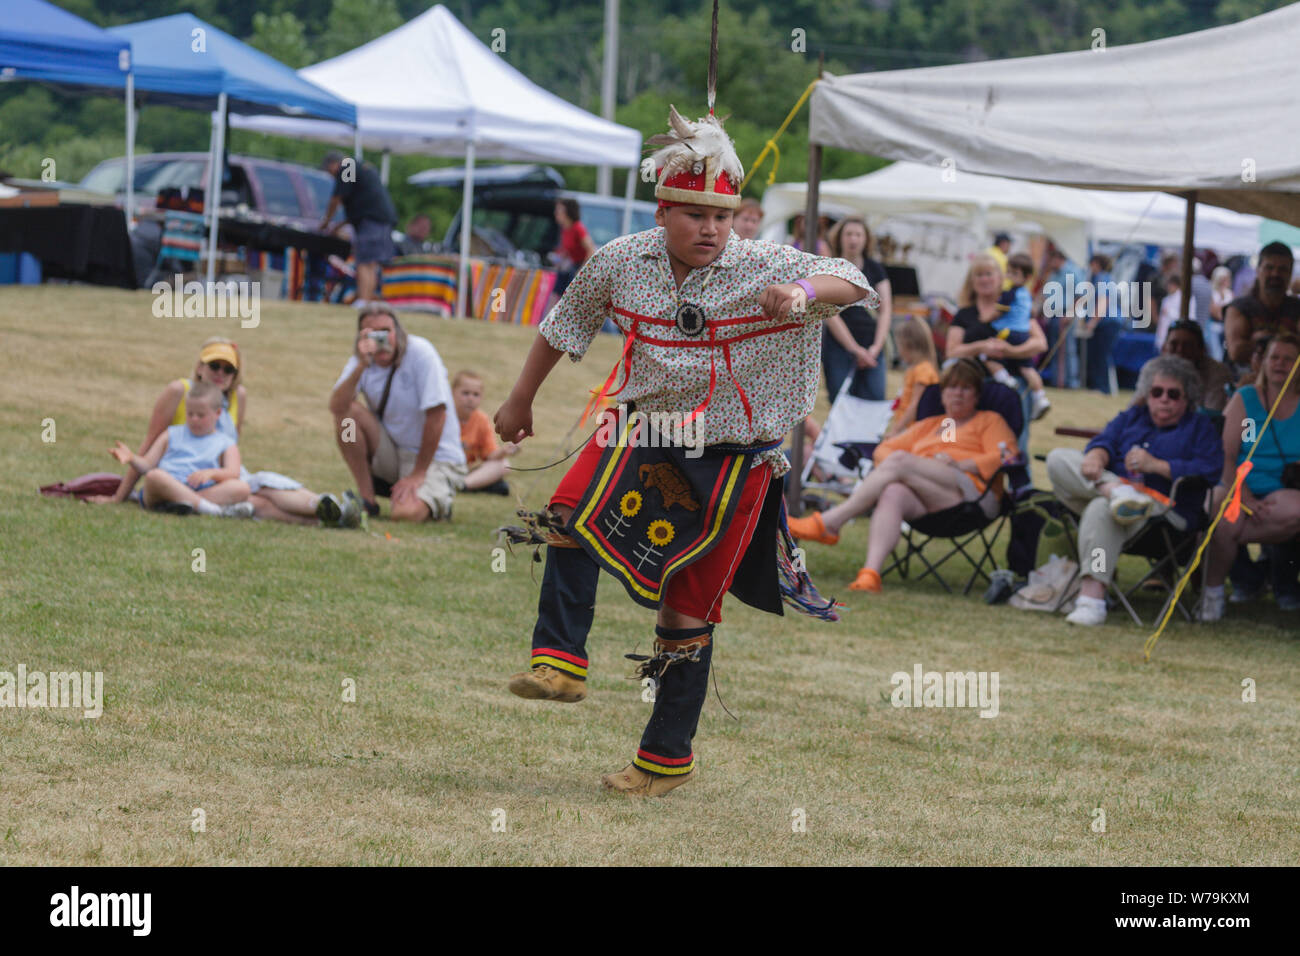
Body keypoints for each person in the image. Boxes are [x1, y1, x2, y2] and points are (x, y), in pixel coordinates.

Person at [493, 104, 875, 797]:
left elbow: (853, 279)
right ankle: (560, 662)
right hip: (649, 428)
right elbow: (564, 322)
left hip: (737, 454)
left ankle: (663, 760)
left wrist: (800, 292)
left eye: (722, 217)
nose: (711, 229)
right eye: (696, 215)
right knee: (568, 511)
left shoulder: (764, 261)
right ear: (663, 209)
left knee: (685, 607)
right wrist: (520, 400)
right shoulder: (620, 260)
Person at [787, 359, 1018, 593]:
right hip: (932, 497)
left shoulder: (989, 421)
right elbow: (882, 450)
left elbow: (1008, 455)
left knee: (900, 461)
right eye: (952, 387)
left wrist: (962, 464)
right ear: (942, 394)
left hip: (974, 496)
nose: (958, 393)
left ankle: (830, 523)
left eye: (966, 388)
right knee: (893, 491)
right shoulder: (929, 425)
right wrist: (912, 469)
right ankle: (870, 574)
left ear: (977, 395)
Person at [91, 339, 356, 526]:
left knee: (261, 485)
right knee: (253, 500)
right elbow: (148, 448)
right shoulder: (179, 391)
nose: (220, 373)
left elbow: (232, 449)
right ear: (199, 367)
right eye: (214, 366)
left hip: (217, 479)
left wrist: (218, 475)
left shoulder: (238, 396)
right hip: (181, 479)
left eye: (228, 369)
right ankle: (326, 516)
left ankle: (327, 509)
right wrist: (118, 497)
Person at [1045, 355, 1223, 626]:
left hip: (1165, 509)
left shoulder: (1199, 427)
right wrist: (1097, 454)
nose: (1164, 399)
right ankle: (1114, 490)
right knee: (1058, 458)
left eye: (1173, 394)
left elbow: (1210, 469)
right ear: (1146, 395)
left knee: (1099, 509)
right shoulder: (1132, 417)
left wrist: (1159, 466)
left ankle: (1092, 599)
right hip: (1120, 495)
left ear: (1188, 398)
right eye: (1157, 392)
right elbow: (1105, 439)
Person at [329, 305, 466, 522]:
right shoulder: (362, 358)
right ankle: (367, 501)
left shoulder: (421, 352)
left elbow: (437, 416)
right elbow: (337, 408)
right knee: (348, 415)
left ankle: (437, 500)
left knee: (404, 515)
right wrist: (361, 365)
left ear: (398, 331)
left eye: (386, 330)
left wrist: (418, 473)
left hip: (435, 459)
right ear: (362, 336)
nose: (381, 339)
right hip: (395, 453)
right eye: (372, 333)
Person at [1198, 334, 1300, 620]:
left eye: (1289, 359)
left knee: (1292, 509)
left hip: (1281, 491)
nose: (1280, 364)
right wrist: (1241, 494)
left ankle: (1230, 545)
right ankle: (1213, 593)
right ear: (1263, 363)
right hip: (1235, 483)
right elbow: (1226, 454)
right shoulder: (1246, 400)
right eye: (1275, 357)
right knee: (1221, 509)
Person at [108, 381, 255, 518]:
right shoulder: (172, 433)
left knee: (241, 488)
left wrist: (212, 473)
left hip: (202, 489)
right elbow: (147, 465)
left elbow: (233, 472)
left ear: (217, 414)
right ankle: (212, 510)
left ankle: (181, 503)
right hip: (165, 486)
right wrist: (132, 458)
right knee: (154, 476)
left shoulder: (225, 442)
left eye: (201, 415)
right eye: (190, 414)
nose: (194, 419)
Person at [946, 255, 1048, 412]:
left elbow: (1040, 343)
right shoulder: (964, 314)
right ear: (971, 281)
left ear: (1001, 278)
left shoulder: (1015, 308)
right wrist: (981, 347)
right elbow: (952, 351)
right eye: (979, 275)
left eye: (989, 274)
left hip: (1014, 385)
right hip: (973, 387)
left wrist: (1011, 351)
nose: (984, 279)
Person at [820, 216, 893, 401]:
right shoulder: (831, 268)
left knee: (874, 398)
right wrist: (853, 348)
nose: (853, 239)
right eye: (849, 234)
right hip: (839, 347)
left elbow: (885, 310)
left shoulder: (876, 269)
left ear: (866, 239)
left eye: (858, 235)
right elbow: (828, 313)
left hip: (872, 345)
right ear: (840, 238)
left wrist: (876, 347)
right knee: (841, 401)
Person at [318, 150, 398, 308]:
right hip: (381, 220)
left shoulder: (347, 166)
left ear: (333, 164)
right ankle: (366, 300)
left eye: (330, 172)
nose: (332, 176)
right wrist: (338, 226)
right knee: (371, 263)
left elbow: (337, 199)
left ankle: (363, 300)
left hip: (371, 221)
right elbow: (360, 204)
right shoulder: (360, 168)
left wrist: (326, 222)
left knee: (363, 260)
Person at [985, 252, 1050, 417]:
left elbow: (998, 312)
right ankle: (1040, 396)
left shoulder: (1010, 293)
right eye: (1008, 272)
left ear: (1026, 277)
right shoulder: (1027, 295)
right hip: (1023, 333)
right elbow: (1031, 312)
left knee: (988, 358)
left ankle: (1005, 379)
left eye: (1014, 273)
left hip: (1008, 332)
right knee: (1027, 368)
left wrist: (985, 318)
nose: (1009, 276)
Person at [1223, 242, 1300, 374]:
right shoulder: (1239, 307)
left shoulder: (1296, 307)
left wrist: (1260, 340)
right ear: (1258, 271)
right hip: (1245, 381)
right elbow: (1236, 352)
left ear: (1290, 273)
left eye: (1282, 269)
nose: (1275, 274)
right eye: (1269, 268)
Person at [452, 370, 517, 493]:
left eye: (476, 394)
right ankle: (482, 485)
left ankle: (462, 485)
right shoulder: (445, 415)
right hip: (442, 467)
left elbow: (490, 455)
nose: (470, 399)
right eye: (465, 393)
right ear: (452, 393)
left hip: (466, 470)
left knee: (503, 464)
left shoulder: (481, 420)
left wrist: (505, 450)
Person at [1153, 320, 1235, 413]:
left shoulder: (1217, 373)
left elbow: (1212, 416)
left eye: (1187, 345)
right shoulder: (1153, 369)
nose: (1180, 350)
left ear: (1201, 350)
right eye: (1174, 344)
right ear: (1164, 348)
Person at [884, 315, 940, 437]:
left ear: (908, 345)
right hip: (906, 428)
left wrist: (896, 430)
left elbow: (916, 405)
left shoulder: (923, 370)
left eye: (899, 346)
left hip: (913, 430)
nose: (899, 352)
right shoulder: (915, 369)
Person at [1040, 246, 1088, 388]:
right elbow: (1046, 294)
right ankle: (1058, 381)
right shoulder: (1053, 274)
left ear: (1058, 259)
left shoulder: (1073, 272)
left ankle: (1071, 382)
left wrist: (1071, 313)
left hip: (1066, 315)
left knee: (1068, 350)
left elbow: (1082, 294)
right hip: (1054, 315)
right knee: (1056, 349)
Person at [1081, 253, 1124, 395]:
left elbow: (1103, 302)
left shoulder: (1102, 280)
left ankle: (1101, 388)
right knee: (1100, 354)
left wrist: (1092, 322)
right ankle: (1099, 386)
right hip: (1108, 323)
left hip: (1108, 323)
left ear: (1097, 264)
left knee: (1101, 355)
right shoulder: (1105, 279)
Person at [552, 198, 597, 296]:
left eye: (559, 211)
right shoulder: (565, 229)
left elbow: (591, 250)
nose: (556, 213)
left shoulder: (578, 228)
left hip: (582, 266)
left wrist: (581, 270)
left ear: (567, 212)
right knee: (558, 288)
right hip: (573, 265)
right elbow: (569, 249)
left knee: (569, 292)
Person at [1155, 274, 1193, 350]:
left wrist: (1169, 312)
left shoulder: (1185, 298)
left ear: (1174, 285)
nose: (1167, 287)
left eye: (1169, 285)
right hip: (1164, 338)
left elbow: (1189, 317)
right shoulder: (1166, 299)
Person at [1207, 265, 1234, 362]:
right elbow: (1215, 312)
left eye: (1226, 279)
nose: (1224, 282)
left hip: (1226, 327)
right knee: (1216, 354)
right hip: (1214, 327)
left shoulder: (1229, 293)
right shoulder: (1213, 293)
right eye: (1222, 279)